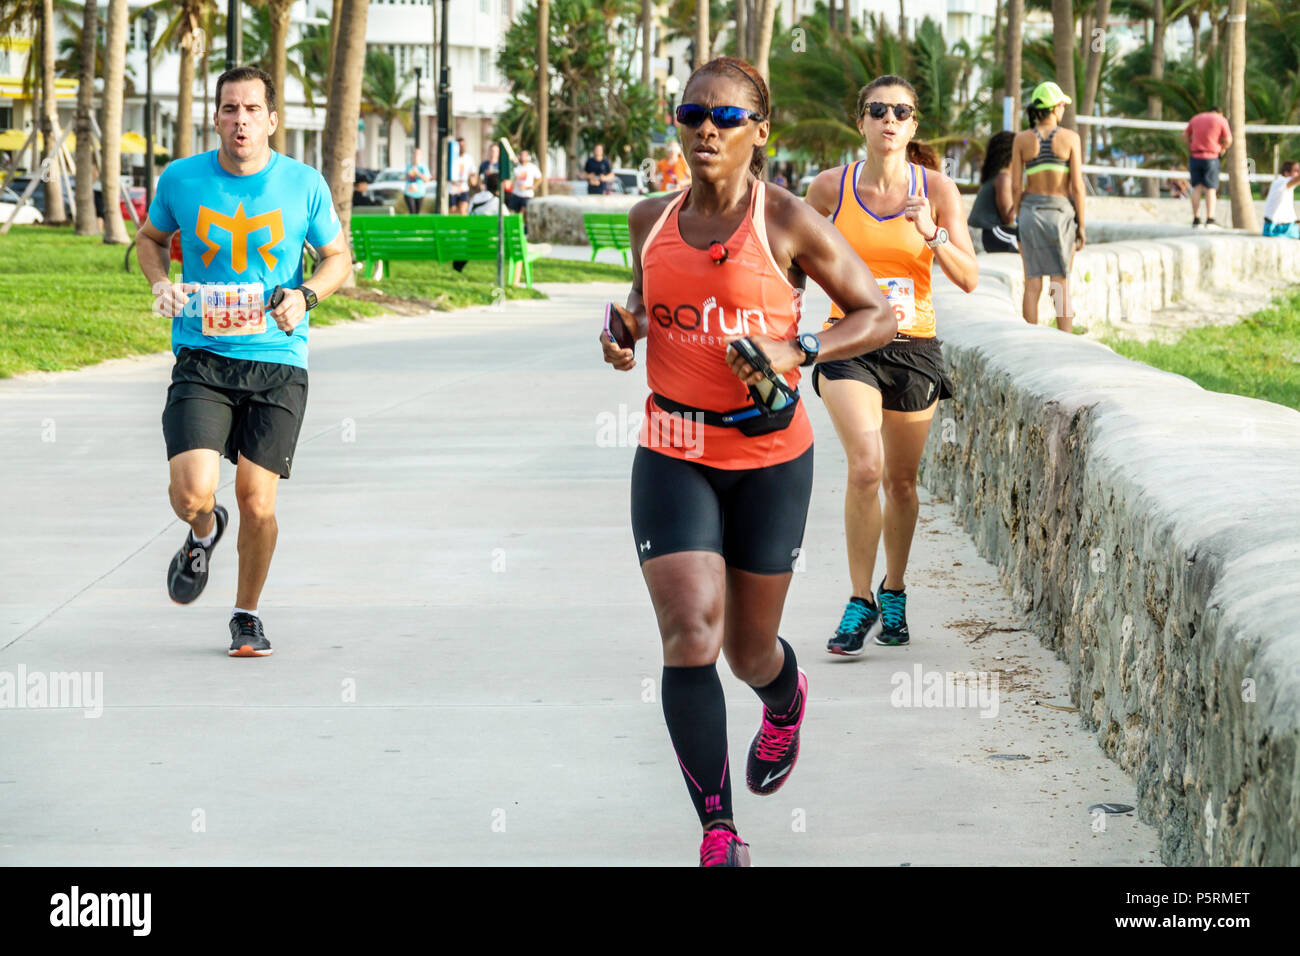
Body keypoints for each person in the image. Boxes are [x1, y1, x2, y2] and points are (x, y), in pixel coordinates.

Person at [600, 56, 895, 866]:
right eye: (691, 114)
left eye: (725, 118)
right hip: (676, 446)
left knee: (747, 650)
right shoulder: (647, 218)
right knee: (690, 629)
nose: (705, 129)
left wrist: (797, 344)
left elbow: (877, 313)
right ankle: (719, 832)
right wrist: (626, 329)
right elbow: (645, 296)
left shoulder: (788, 221)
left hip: (769, 454)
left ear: (758, 132)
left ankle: (785, 697)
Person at [136, 66, 351, 658]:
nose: (241, 120)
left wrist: (305, 296)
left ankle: (246, 615)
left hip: (278, 359)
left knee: (259, 499)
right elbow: (151, 239)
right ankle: (203, 531)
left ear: (272, 120)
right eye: (230, 109)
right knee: (191, 492)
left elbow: (337, 259)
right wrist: (161, 283)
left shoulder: (303, 184)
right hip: (202, 356)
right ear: (216, 118)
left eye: (252, 109)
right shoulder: (182, 179)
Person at [804, 74, 978, 657]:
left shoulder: (938, 190)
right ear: (861, 122)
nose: (889, 119)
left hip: (914, 348)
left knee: (902, 484)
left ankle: (894, 589)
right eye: (877, 109)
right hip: (848, 342)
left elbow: (969, 278)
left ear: (912, 126)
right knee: (865, 468)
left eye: (900, 111)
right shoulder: (830, 188)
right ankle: (859, 600)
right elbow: (790, 262)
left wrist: (932, 233)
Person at [1010, 80, 1084, 333]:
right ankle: (1066, 339)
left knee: (1032, 283)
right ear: (1056, 108)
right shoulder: (1070, 138)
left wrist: (1019, 219)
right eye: (1062, 104)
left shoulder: (1021, 140)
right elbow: (1077, 187)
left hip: (1030, 212)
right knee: (1060, 282)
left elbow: (1016, 187)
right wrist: (1081, 225)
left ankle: (1030, 339)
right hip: (1060, 214)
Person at [968, 131, 1019, 253]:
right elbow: (1008, 218)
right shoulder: (1003, 178)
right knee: (1029, 241)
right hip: (990, 234)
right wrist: (1021, 193)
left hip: (989, 233)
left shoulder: (997, 176)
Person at [1184, 106, 1232, 229]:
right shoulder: (1220, 119)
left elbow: (1185, 135)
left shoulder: (1196, 118)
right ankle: (1210, 219)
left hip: (1195, 156)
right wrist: (1222, 149)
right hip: (1211, 157)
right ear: (1219, 113)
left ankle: (1196, 219)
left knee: (1196, 188)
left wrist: (1191, 145)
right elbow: (1228, 139)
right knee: (1210, 188)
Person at [1262, 160, 1300, 239]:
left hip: (1285, 226)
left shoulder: (1285, 186)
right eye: (1297, 171)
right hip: (1275, 228)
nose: (1298, 173)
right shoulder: (1281, 182)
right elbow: (1297, 179)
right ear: (1286, 173)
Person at [505, 148, 541, 213]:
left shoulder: (532, 167)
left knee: (523, 213)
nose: (523, 157)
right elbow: (510, 180)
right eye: (521, 155)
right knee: (511, 212)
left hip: (527, 195)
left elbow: (539, 178)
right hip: (516, 194)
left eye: (525, 155)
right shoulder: (515, 167)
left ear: (528, 157)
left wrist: (533, 186)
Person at [403, 148, 432, 214]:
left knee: (417, 213)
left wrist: (418, 173)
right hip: (409, 192)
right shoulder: (409, 165)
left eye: (418, 154)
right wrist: (408, 175)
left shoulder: (423, 167)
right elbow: (405, 178)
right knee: (412, 212)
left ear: (421, 156)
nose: (416, 156)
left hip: (419, 193)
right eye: (414, 154)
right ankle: (411, 224)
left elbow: (427, 180)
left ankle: (416, 224)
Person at [450, 137, 473, 214]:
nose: (462, 147)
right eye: (460, 146)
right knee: (452, 211)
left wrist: (473, 179)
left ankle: (463, 226)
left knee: (463, 211)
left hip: (464, 188)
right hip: (452, 189)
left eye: (463, 145)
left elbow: (473, 172)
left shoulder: (468, 158)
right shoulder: (451, 158)